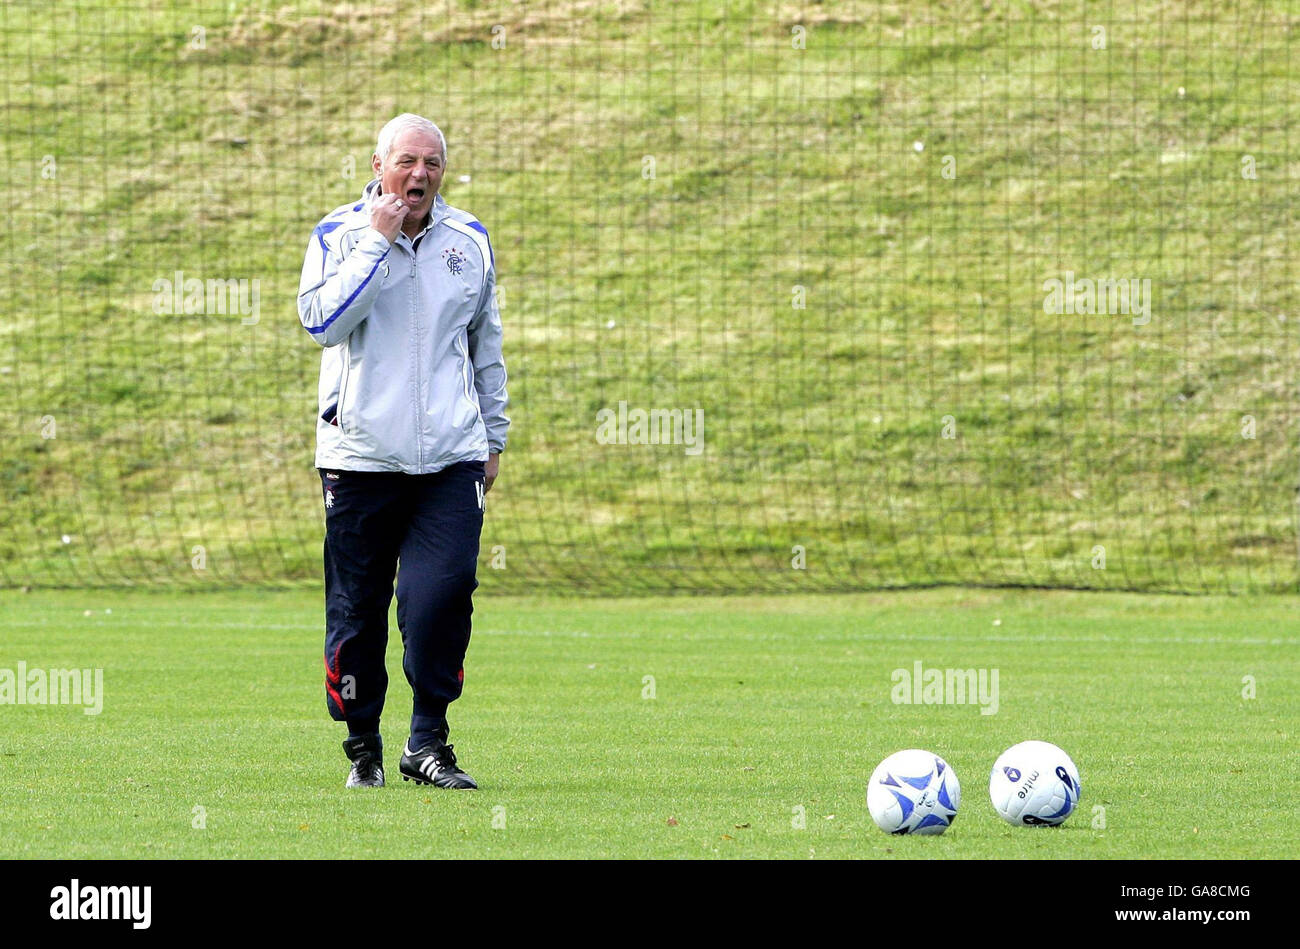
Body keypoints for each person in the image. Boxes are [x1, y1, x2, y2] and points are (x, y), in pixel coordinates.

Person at [297, 113, 509, 790]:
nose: (420, 174)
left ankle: (428, 743)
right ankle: (364, 748)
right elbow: (324, 322)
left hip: (451, 459)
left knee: (439, 599)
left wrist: (493, 437)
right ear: (377, 163)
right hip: (359, 459)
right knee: (357, 612)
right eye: (408, 161)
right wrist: (376, 246)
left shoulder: (468, 239)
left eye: (433, 163)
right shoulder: (338, 235)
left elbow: (486, 344)